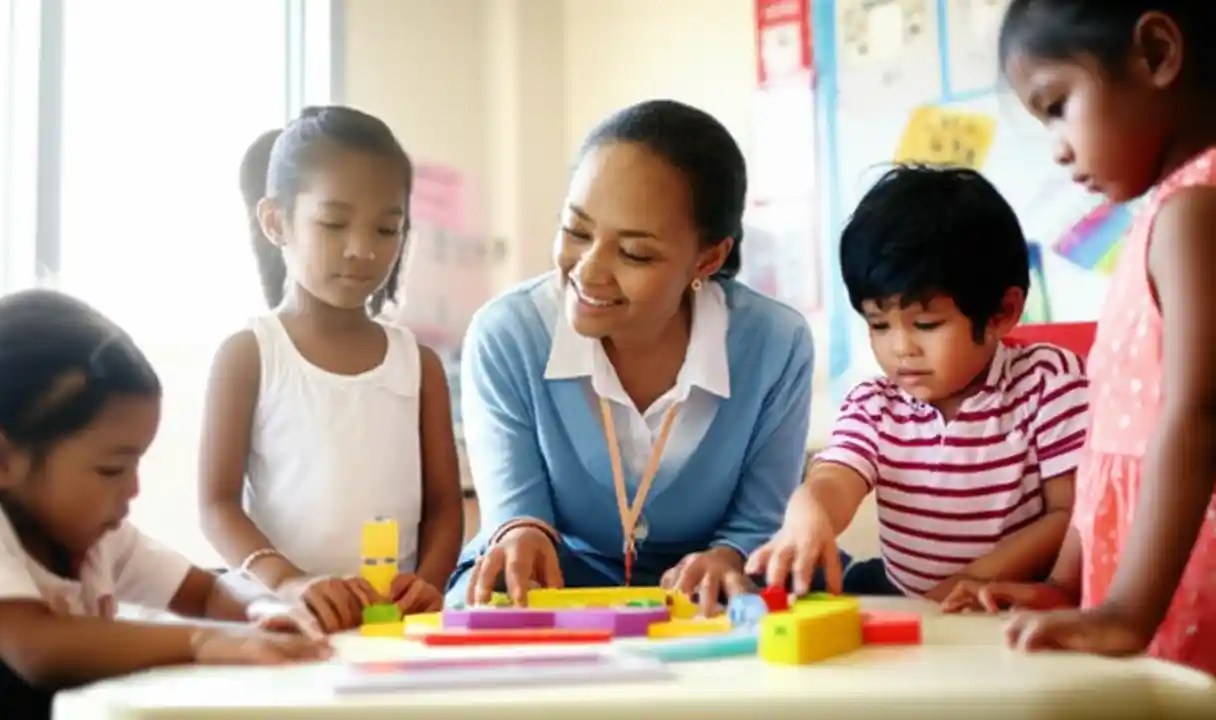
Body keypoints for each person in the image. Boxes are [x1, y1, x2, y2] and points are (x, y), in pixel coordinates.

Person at [451, 99, 815, 615]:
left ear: (708, 259)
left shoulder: (775, 342)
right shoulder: (507, 334)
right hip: (562, 565)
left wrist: (729, 555)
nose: (589, 271)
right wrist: (519, 533)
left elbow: (763, 517)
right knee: (482, 605)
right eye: (576, 232)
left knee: (792, 602)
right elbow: (516, 509)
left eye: (635, 253)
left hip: (711, 571)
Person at [943, 0, 1216, 675]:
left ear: (1156, 54)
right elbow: (1109, 451)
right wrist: (1066, 584)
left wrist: (1126, 610)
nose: (1059, 148)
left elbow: (1197, 414)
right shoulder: (1166, 213)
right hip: (1142, 592)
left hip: (1175, 590)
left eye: (1058, 104)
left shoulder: (1196, 212)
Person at [0, 290, 327, 718]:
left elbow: (207, 593)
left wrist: (264, 612)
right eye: (111, 469)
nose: (134, 489)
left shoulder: (98, 538)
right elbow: (37, 648)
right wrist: (203, 641)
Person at [746, 166, 1088, 603]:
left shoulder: (1048, 382)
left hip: (1009, 599)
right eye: (879, 324)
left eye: (926, 324)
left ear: (1002, 313)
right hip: (905, 593)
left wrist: (979, 578)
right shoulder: (874, 404)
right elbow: (837, 477)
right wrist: (808, 512)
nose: (901, 347)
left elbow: (1070, 512)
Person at [199, 106, 463, 633]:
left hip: (392, 622)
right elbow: (216, 505)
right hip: (280, 619)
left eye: (387, 228)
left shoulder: (419, 365)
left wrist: (428, 582)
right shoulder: (249, 354)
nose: (363, 249)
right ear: (276, 221)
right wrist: (291, 582)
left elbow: (444, 508)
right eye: (333, 223)